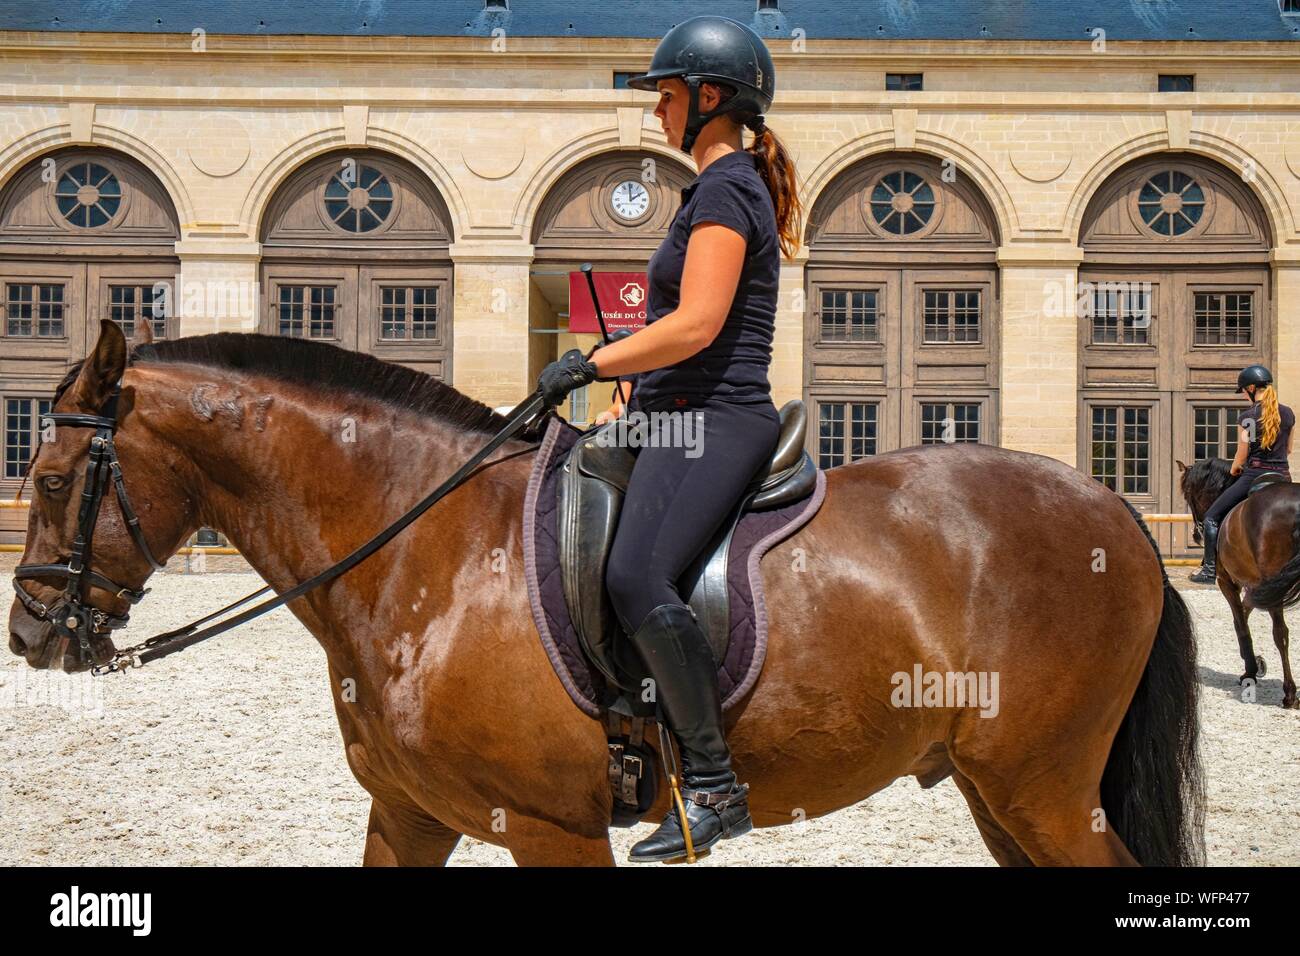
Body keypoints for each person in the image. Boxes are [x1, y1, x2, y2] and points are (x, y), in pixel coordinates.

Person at [535, 14, 803, 862]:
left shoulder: (728, 190)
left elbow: (696, 324)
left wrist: (589, 361)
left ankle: (716, 788)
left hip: (718, 416)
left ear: (710, 98)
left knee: (636, 570)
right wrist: (627, 403)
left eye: (668, 93)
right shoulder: (712, 189)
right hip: (674, 411)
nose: (657, 110)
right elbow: (677, 340)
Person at [1189, 364, 1295, 583]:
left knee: (1211, 517)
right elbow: (1289, 449)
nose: (1245, 397)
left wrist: (1236, 467)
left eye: (1244, 392)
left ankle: (1209, 570)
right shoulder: (1288, 413)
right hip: (1283, 477)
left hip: (1254, 474)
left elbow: (1242, 451)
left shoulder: (1248, 417)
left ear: (1251, 388)